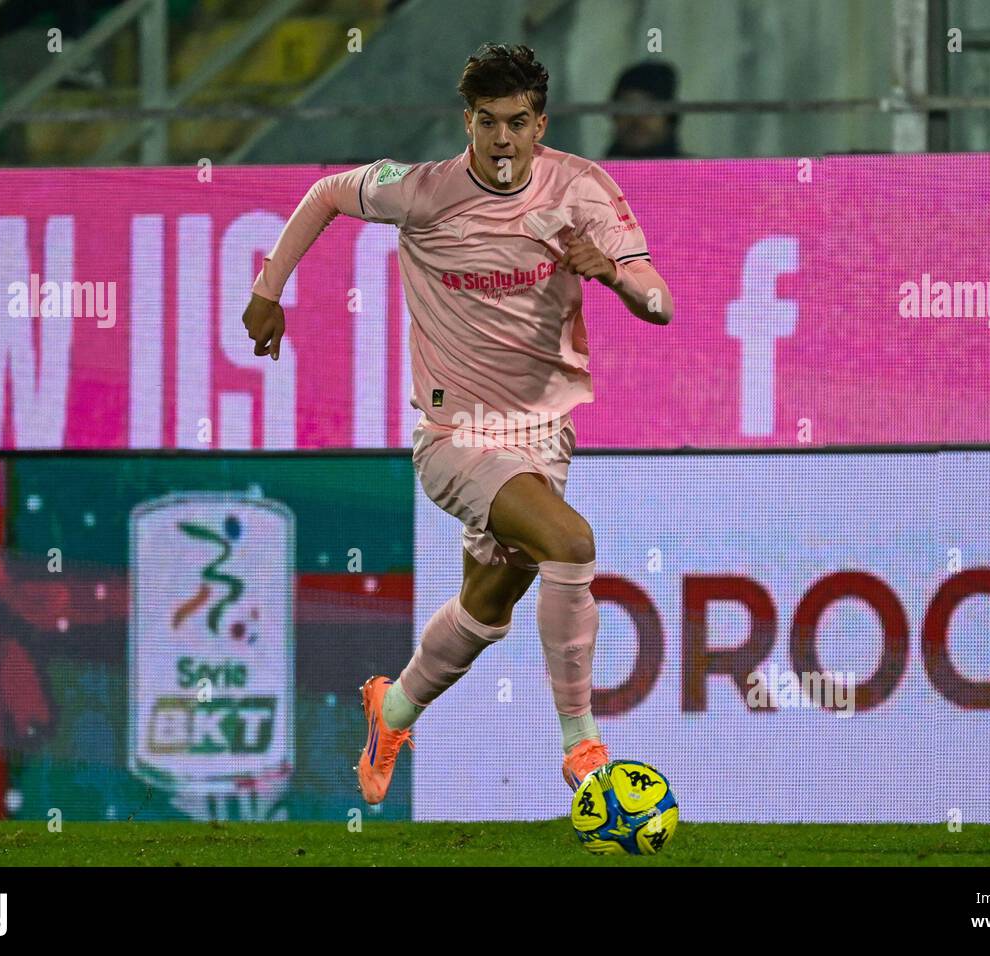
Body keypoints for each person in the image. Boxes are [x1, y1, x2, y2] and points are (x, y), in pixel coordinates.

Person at [242, 42, 673, 804]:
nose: (502, 140)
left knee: (491, 600)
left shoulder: (583, 189)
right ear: (466, 122)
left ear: (541, 124)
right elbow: (325, 194)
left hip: (545, 435)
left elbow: (659, 302)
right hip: (454, 437)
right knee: (571, 544)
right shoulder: (420, 192)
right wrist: (270, 289)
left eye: (517, 123)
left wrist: (609, 272)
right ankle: (582, 748)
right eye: (486, 123)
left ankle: (393, 707)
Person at [606, 61, 689, 159]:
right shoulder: (593, 172)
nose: (636, 119)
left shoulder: (694, 172)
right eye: (627, 108)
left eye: (649, 109)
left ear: (670, 118)